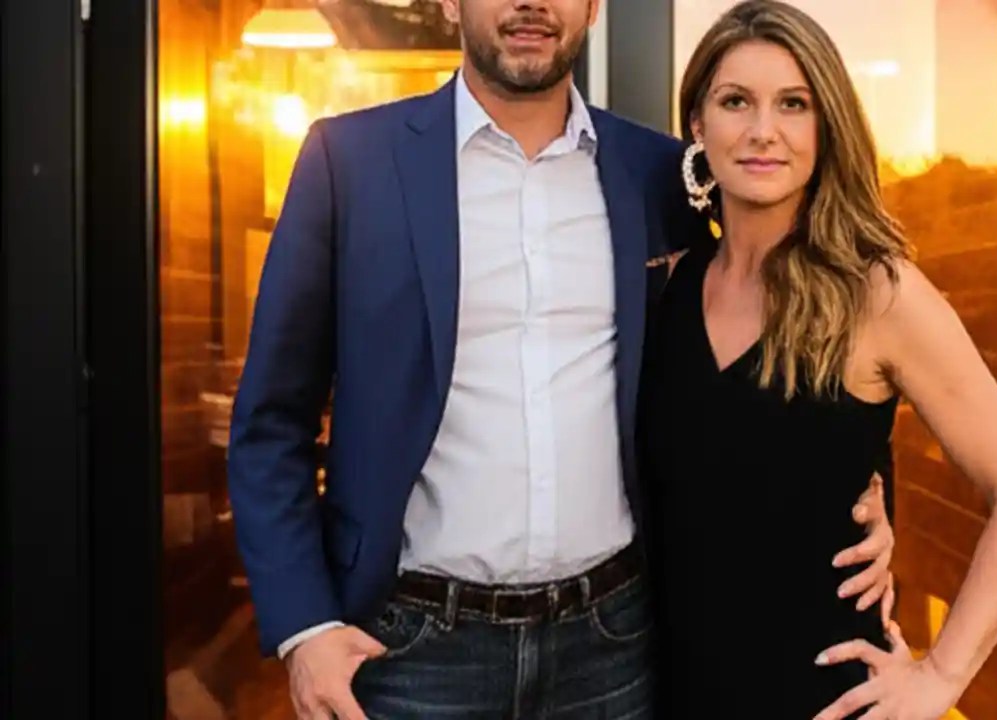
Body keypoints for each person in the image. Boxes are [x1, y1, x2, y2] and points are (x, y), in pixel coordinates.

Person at [226, 1, 896, 718]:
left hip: (612, 644)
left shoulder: (660, 176)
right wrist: (305, 628)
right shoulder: (349, 163)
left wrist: (863, 497)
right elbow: (271, 423)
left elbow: (774, 350)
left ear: (594, 8)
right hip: (411, 649)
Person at [641, 2, 997, 718]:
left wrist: (939, 678)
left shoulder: (876, 294)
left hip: (824, 700)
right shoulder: (669, 288)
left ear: (825, 125)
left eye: (794, 104)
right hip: (670, 694)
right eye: (735, 100)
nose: (762, 130)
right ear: (698, 126)